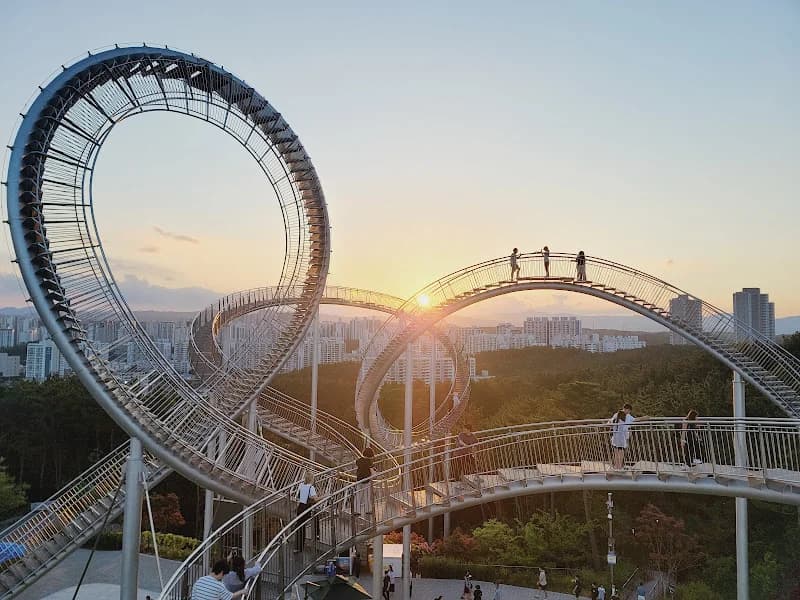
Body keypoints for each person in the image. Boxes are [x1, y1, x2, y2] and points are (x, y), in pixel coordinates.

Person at [609, 403, 649, 469]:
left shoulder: (616, 414)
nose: (629, 412)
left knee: (616, 452)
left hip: (615, 436)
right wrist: (645, 418)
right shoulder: (627, 416)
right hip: (621, 437)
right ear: (627, 409)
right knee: (621, 452)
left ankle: (616, 466)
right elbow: (636, 420)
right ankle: (619, 467)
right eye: (629, 411)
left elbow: (611, 422)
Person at [294, 472, 318, 552]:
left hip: (300, 508)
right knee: (316, 515)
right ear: (312, 479)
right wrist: (326, 496)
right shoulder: (311, 487)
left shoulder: (301, 486)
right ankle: (317, 535)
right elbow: (315, 499)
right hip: (306, 509)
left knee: (300, 527)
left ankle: (298, 547)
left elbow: (300, 497)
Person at [355, 446, 375, 514]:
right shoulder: (369, 462)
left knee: (358, 496)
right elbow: (372, 471)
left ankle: (356, 510)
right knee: (366, 496)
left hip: (359, 480)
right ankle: (367, 510)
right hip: (366, 480)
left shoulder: (359, 460)